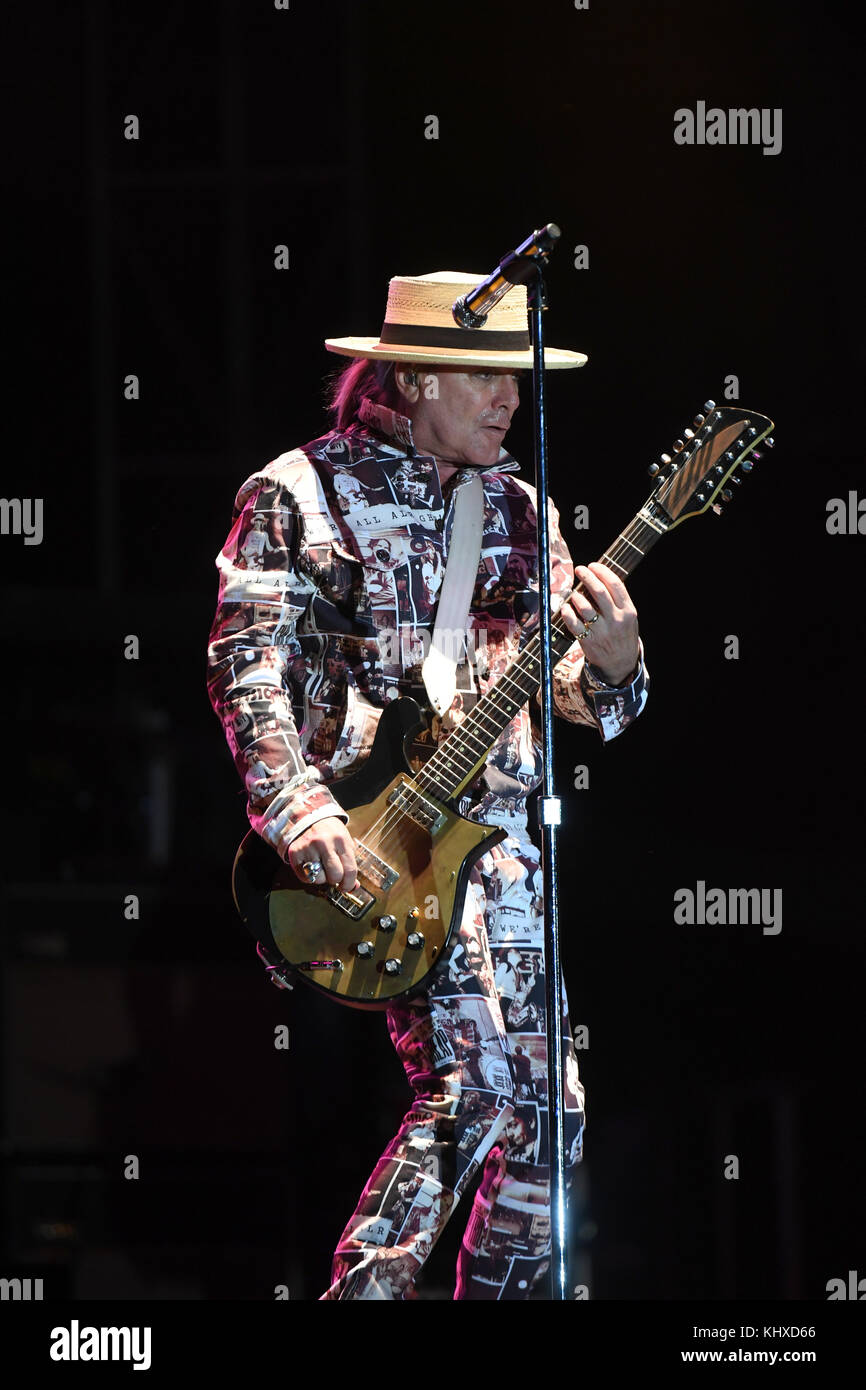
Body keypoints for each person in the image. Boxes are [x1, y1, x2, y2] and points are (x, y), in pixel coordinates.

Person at [206, 269, 649, 1300]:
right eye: (480, 376)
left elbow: (588, 703)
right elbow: (245, 675)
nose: (509, 399)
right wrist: (304, 816)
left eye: (515, 379)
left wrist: (618, 661)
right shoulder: (296, 495)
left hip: (506, 853)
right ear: (408, 380)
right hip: (378, 845)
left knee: (550, 1118)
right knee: (479, 1087)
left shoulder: (524, 513)